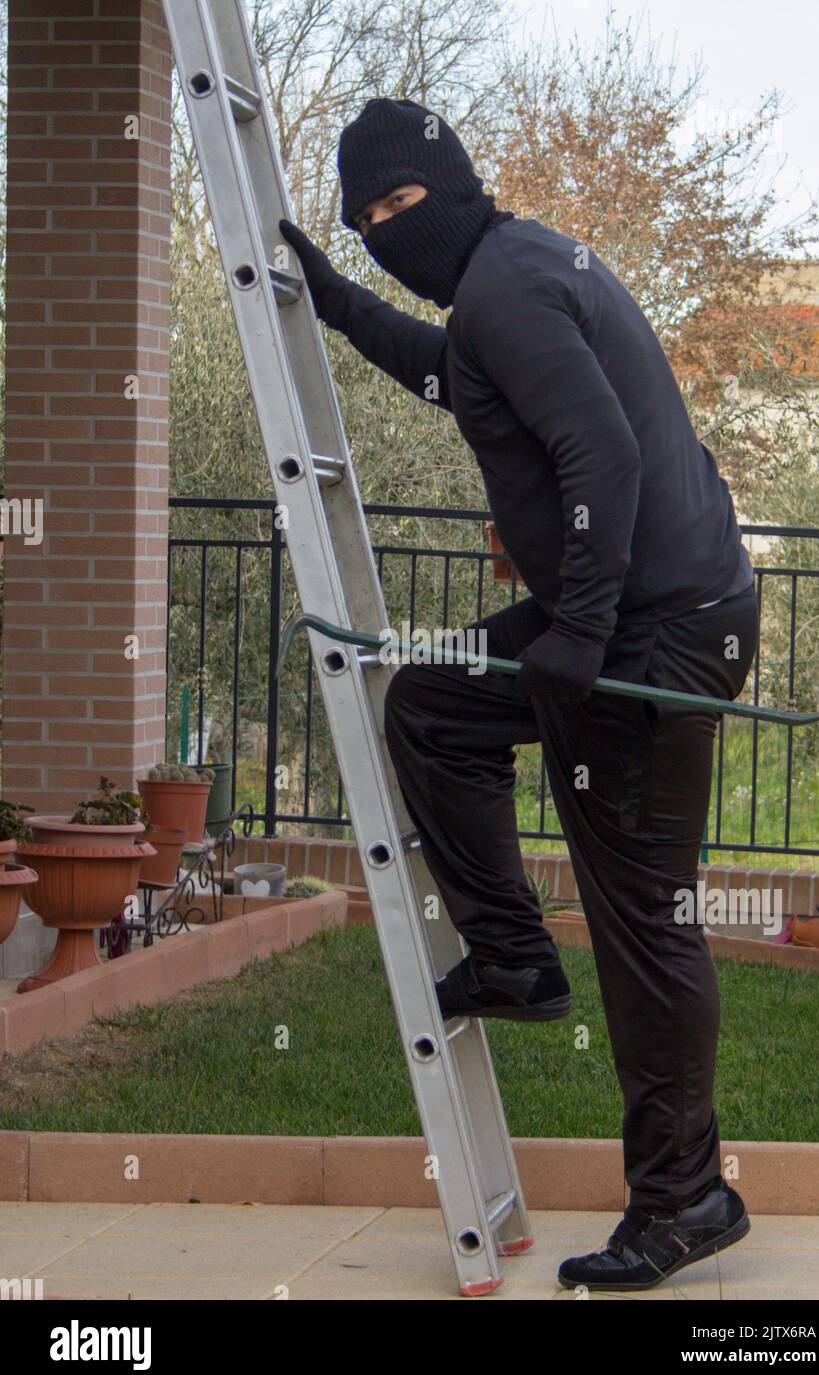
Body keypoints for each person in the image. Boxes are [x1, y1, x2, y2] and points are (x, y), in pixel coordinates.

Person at [279, 96, 758, 1292]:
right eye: (369, 217)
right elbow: (455, 381)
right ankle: (513, 959)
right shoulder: (513, 270)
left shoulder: (502, 288)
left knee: (644, 917)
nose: (390, 226)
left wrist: (581, 620)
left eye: (401, 202)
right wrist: (335, 303)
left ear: (455, 186)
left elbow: (602, 454)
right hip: (645, 609)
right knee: (433, 708)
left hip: (652, 631)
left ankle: (684, 1194)